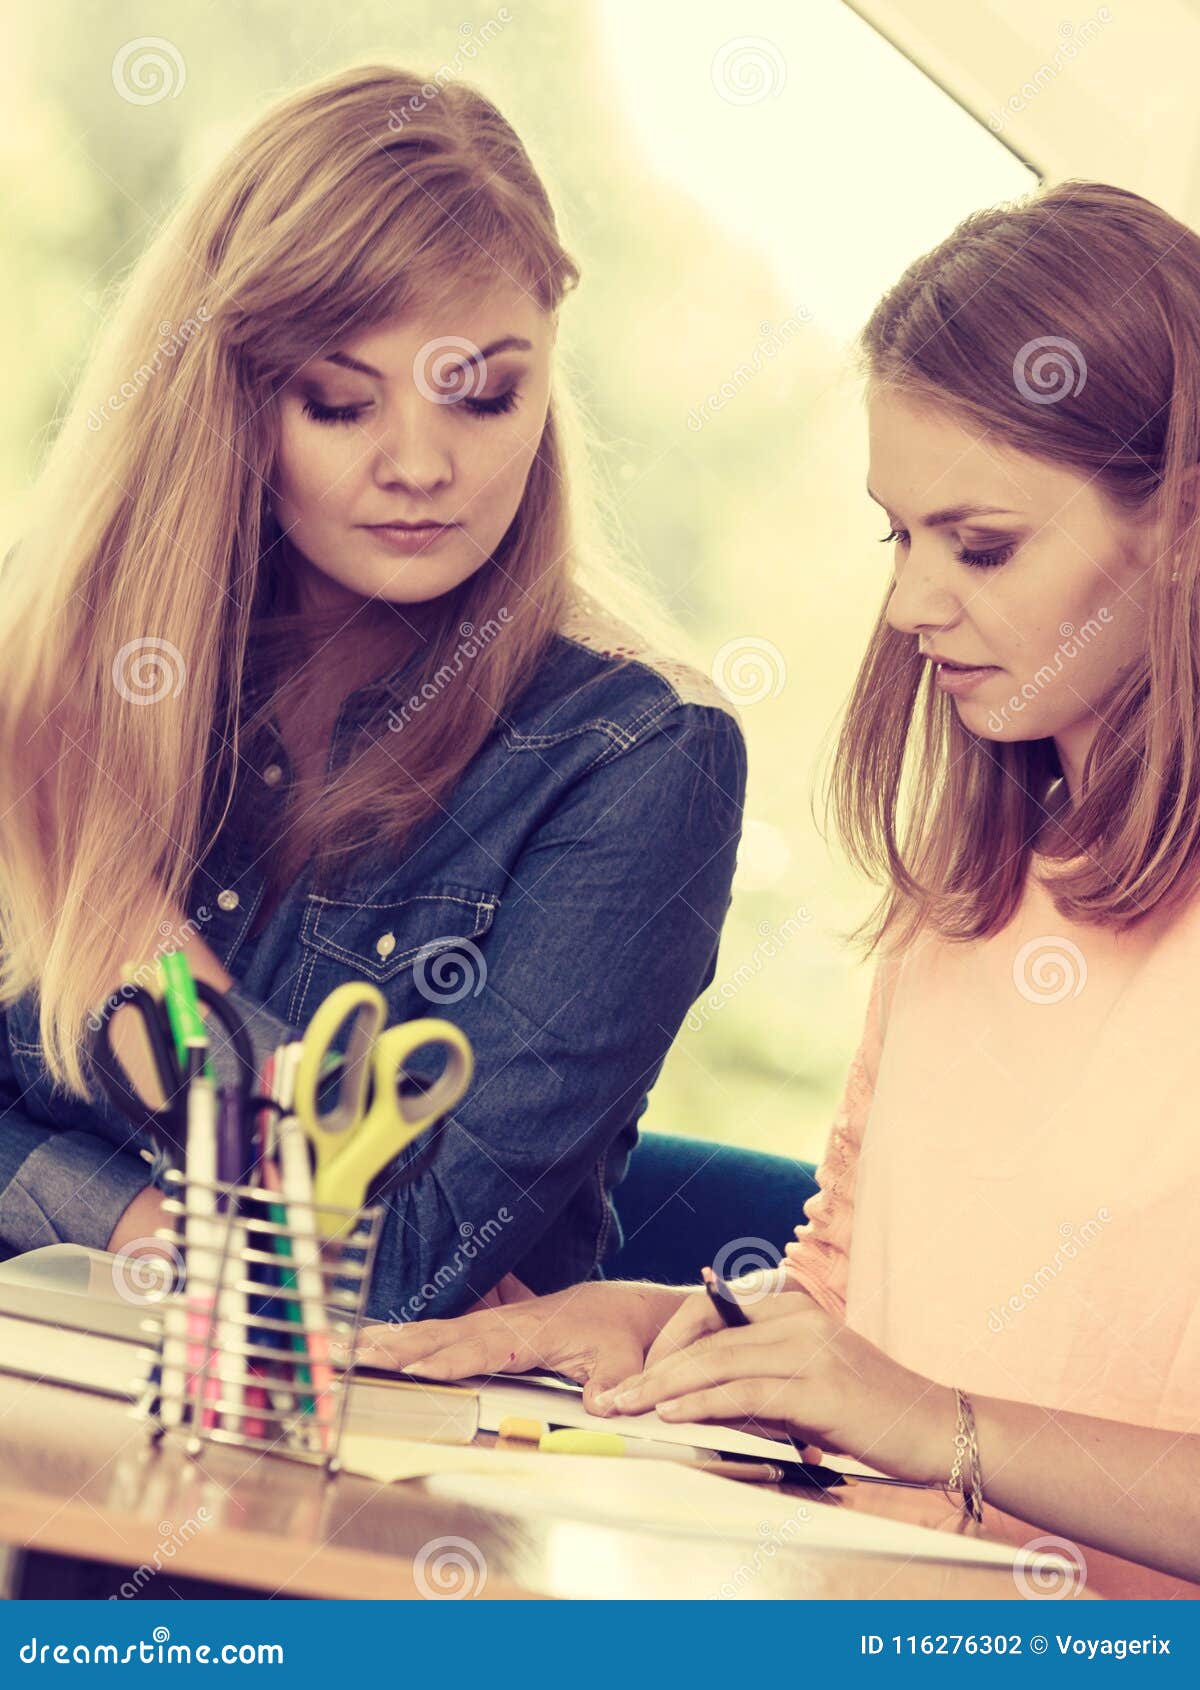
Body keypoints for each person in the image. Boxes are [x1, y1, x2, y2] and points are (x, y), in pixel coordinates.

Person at [357, 181, 1200, 1594]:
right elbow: (850, 1294)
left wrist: (935, 1427)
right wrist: (680, 1328)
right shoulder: (969, 890)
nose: (915, 602)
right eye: (901, 536)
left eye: (979, 543)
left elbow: (914, 1404)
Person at [0, 64, 748, 1319]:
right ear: (228, 399)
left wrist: (131, 938)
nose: (419, 465)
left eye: (485, 393)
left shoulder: (635, 758)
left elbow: (395, 1273)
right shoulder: (57, 670)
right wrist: (138, 1224)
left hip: (380, 1490)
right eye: (342, 402)